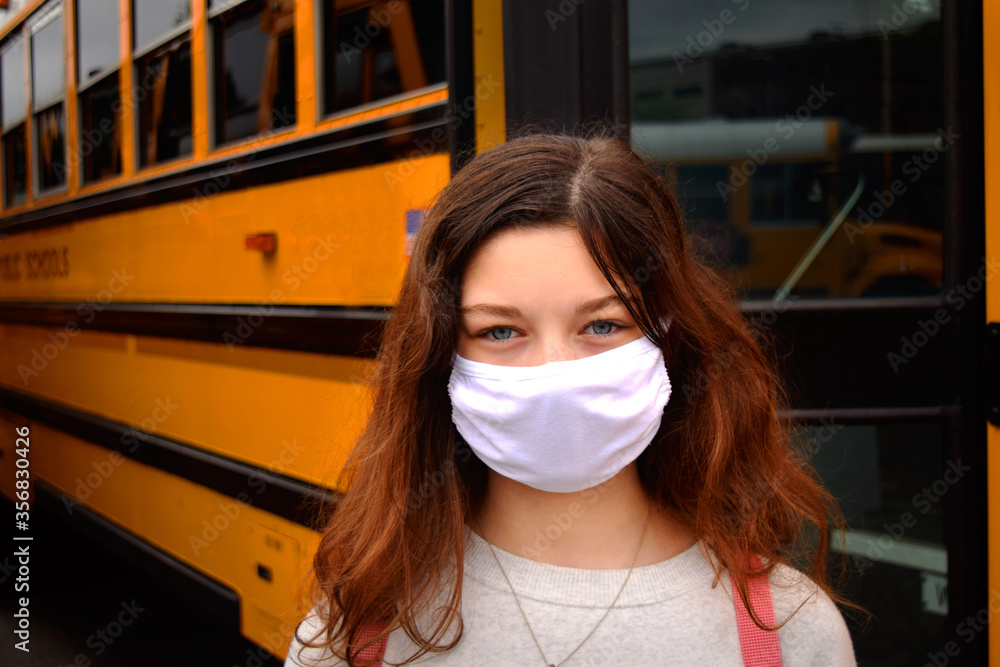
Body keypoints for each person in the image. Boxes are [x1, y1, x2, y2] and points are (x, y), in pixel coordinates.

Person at [284, 132, 859, 666]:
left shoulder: (790, 632)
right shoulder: (355, 638)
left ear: (670, 340)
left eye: (603, 325)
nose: (555, 373)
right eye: (500, 331)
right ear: (439, 358)